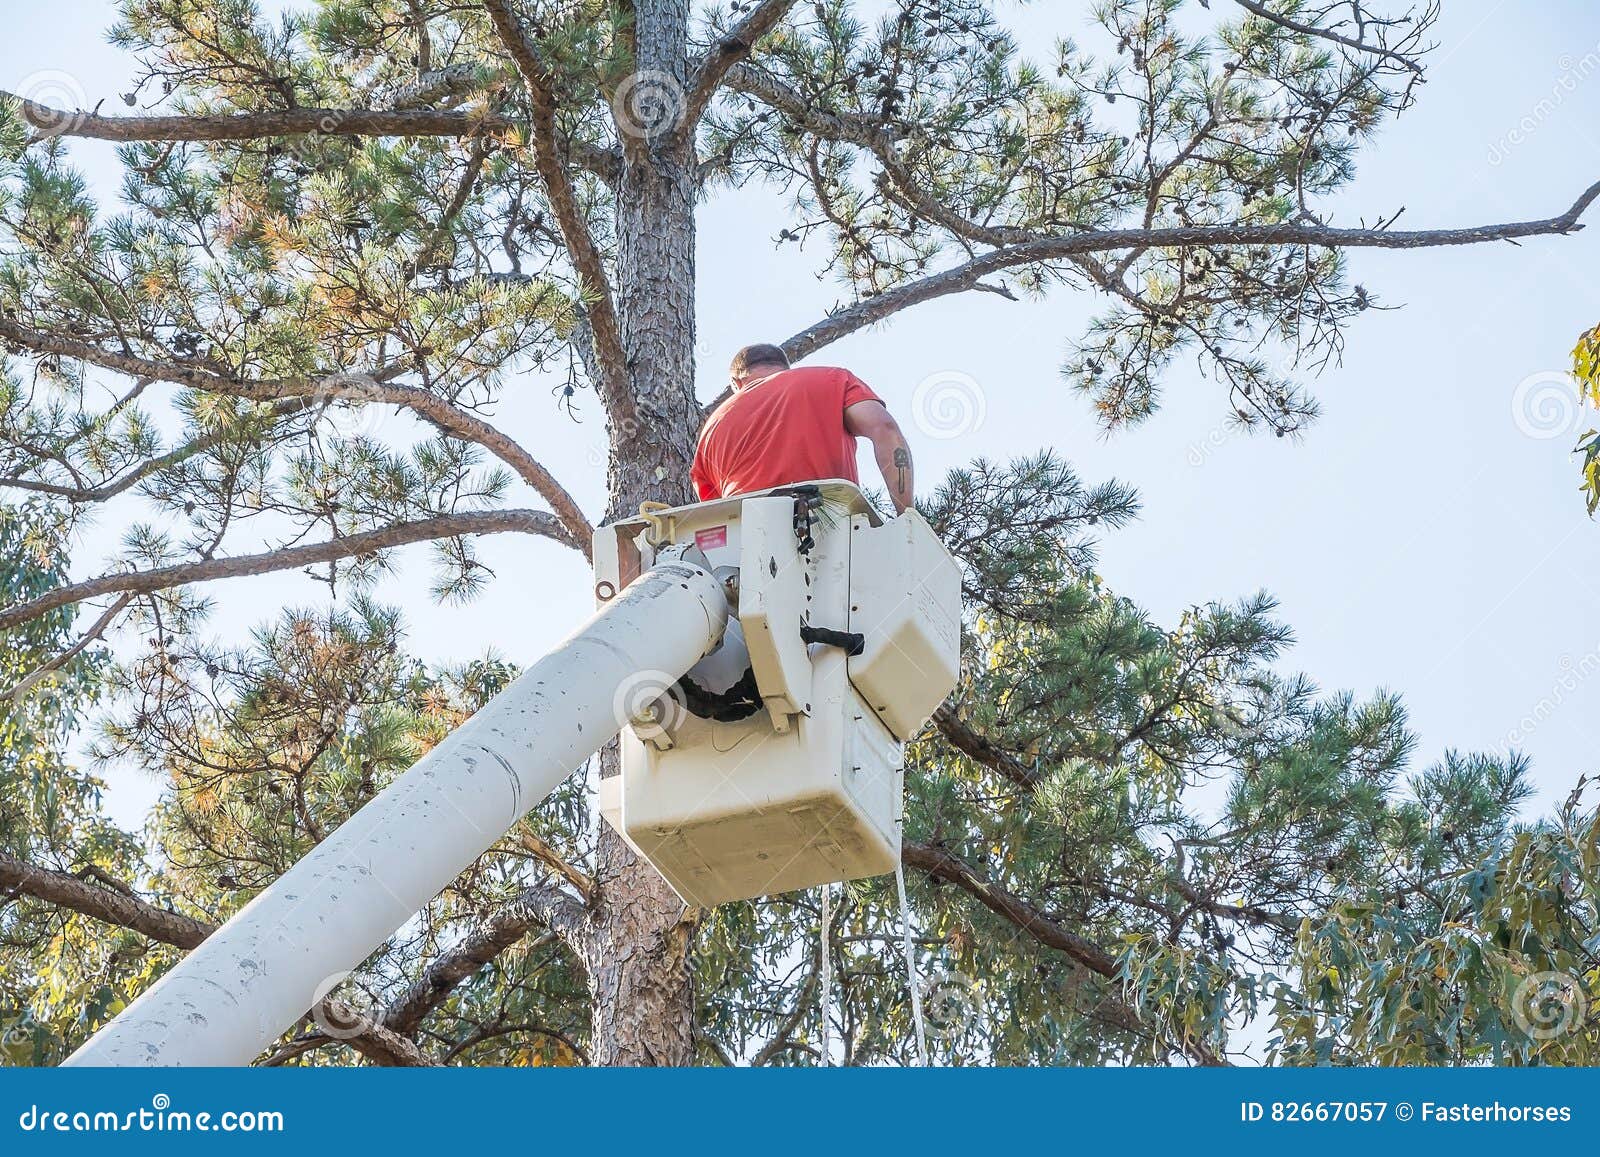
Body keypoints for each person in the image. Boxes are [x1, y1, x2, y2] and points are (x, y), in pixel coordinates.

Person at [691, 344, 916, 513]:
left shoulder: (710, 430)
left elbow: (718, 520)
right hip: (832, 527)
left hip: (748, 541)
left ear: (736, 383)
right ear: (785, 369)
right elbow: (885, 429)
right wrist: (906, 516)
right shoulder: (832, 379)